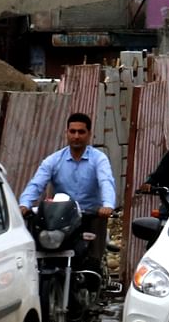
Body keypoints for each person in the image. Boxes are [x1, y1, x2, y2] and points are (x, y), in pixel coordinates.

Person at [18, 112, 117, 270]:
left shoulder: (99, 159)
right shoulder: (54, 160)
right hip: (63, 217)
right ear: (66, 133)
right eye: (72, 131)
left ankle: (93, 279)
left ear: (89, 134)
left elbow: (106, 181)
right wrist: (24, 204)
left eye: (81, 132)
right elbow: (36, 184)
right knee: (44, 254)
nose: (76, 136)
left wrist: (107, 205)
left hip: (90, 215)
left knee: (92, 262)